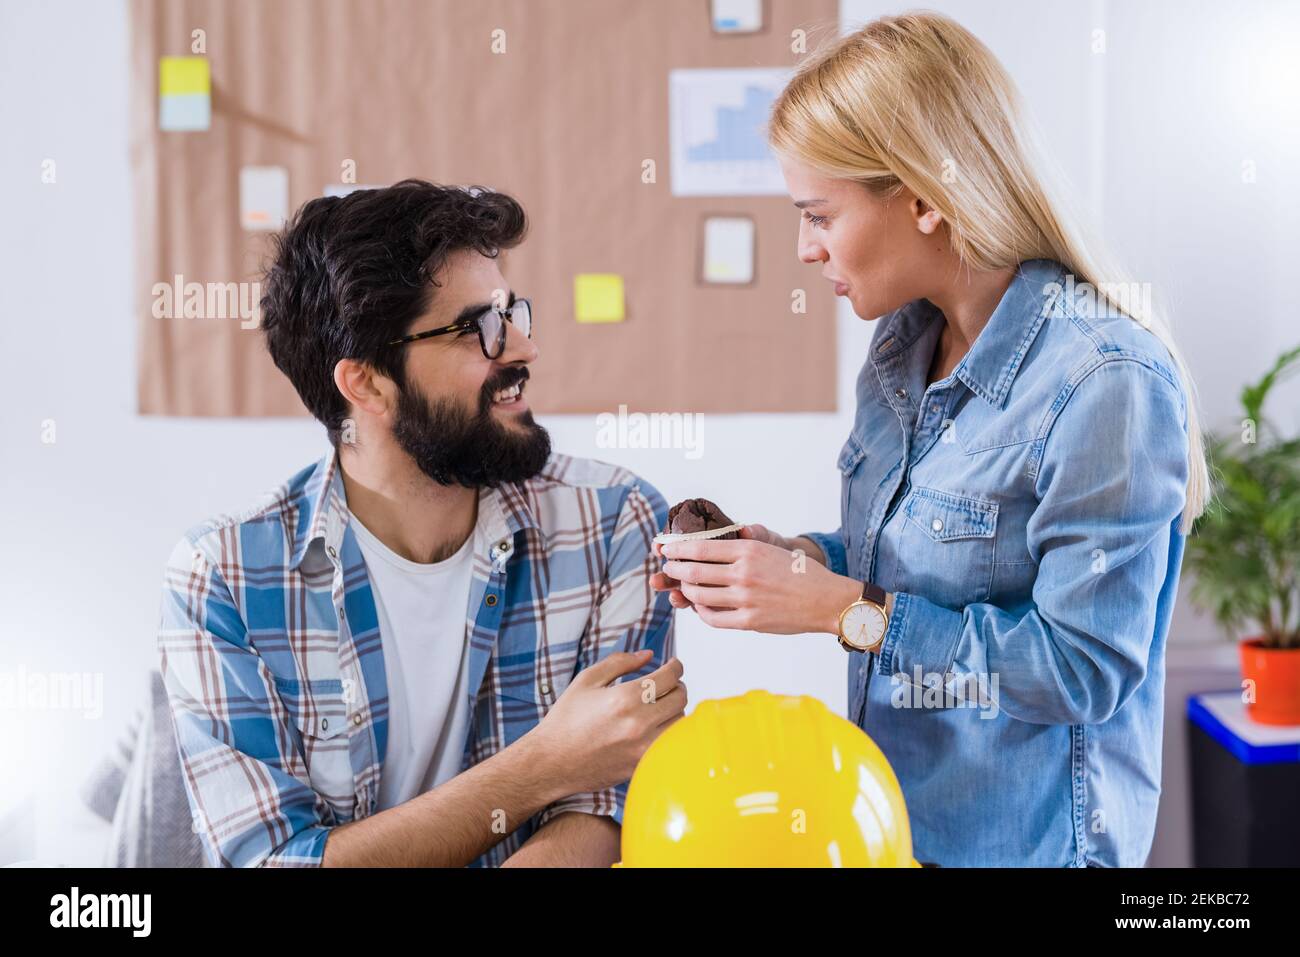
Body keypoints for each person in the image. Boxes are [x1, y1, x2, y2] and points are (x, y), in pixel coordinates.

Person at [653, 13, 1207, 867]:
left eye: (819, 214)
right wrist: (799, 559)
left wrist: (838, 609)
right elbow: (921, 557)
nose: (804, 249)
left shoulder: (1105, 383)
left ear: (921, 198)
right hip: (897, 832)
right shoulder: (901, 347)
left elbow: (1081, 672)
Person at [158, 180, 683, 867]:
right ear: (368, 384)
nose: (523, 348)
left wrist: (573, 773)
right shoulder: (222, 576)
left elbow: (606, 807)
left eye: (515, 313)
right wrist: (543, 764)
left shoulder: (615, 521)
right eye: (482, 328)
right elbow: (277, 860)